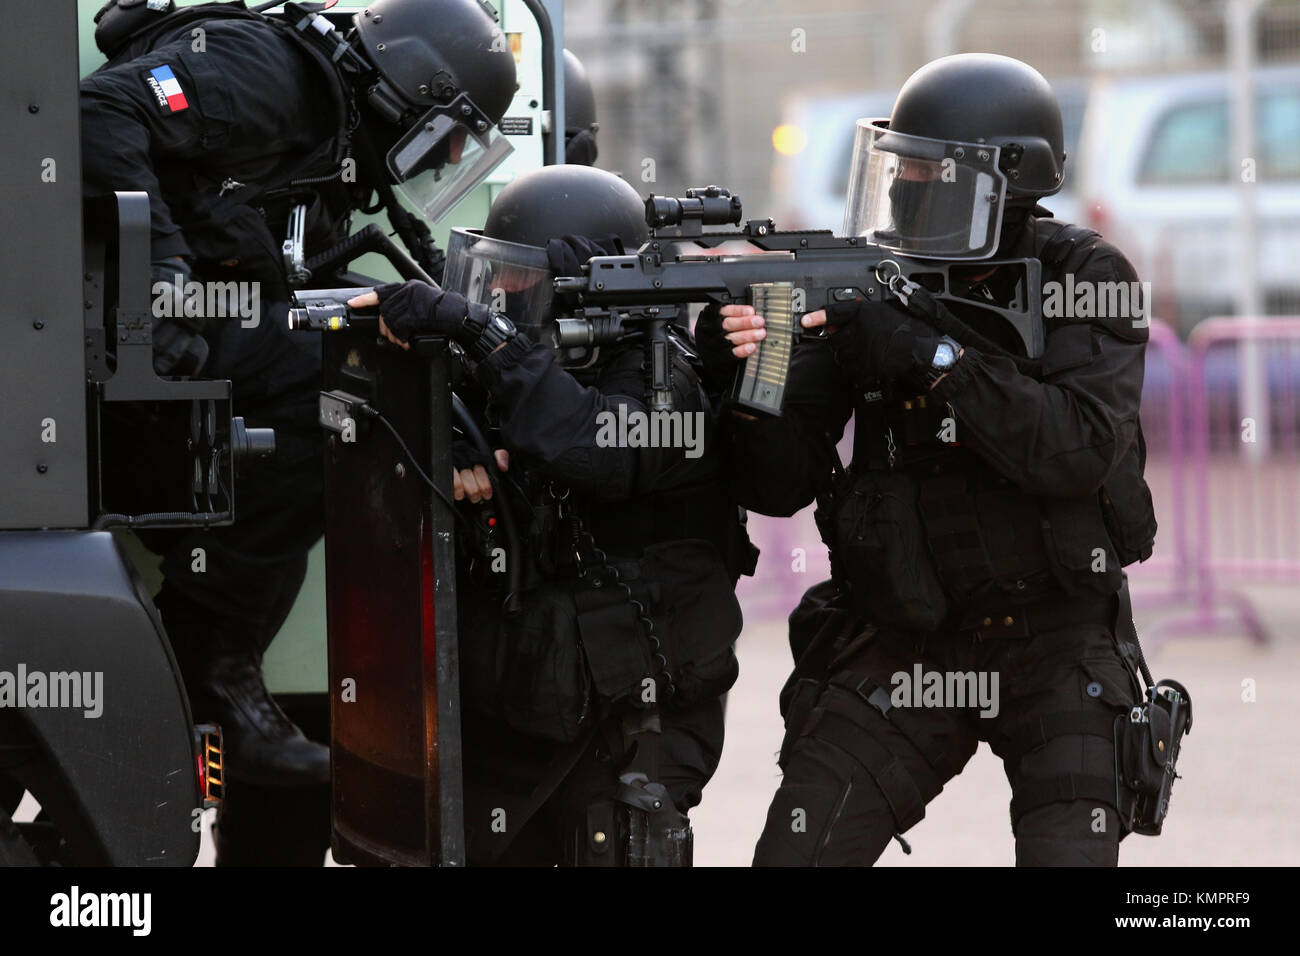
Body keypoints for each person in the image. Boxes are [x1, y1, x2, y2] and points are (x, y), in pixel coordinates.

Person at [696, 53, 1158, 866]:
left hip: (1058, 637)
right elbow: (776, 484)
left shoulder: (1084, 277)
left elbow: (1073, 449)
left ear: (1002, 183)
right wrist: (750, 370)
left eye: (927, 175)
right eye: (899, 170)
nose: (906, 192)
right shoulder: (870, 286)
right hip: (908, 636)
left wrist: (929, 356)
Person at [79, 0, 516, 801]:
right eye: (446, 135)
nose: (441, 157)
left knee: (378, 347)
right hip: (117, 334)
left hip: (187, 332)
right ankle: (206, 650)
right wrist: (162, 274)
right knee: (343, 379)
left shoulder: (332, 129)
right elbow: (100, 111)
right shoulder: (266, 71)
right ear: (412, 86)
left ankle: (222, 665)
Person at [348, 164, 755, 866]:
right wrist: (449, 467)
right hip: (528, 701)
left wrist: (481, 333)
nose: (501, 296)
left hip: (641, 713)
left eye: (520, 281)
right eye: (493, 278)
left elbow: (595, 448)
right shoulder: (529, 371)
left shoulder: (664, 374)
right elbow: (387, 487)